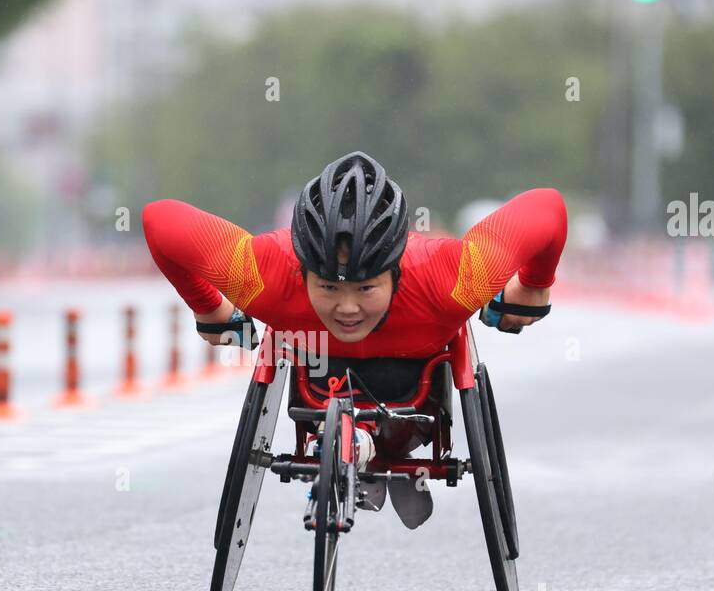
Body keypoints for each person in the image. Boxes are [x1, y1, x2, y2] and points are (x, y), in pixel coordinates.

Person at [142, 150, 566, 527]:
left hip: (412, 389)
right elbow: (158, 219)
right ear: (301, 271)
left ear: (396, 274)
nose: (347, 308)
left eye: (366, 288)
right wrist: (207, 306)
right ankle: (366, 450)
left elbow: (549, 207)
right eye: (328, 287)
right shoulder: (263, 273)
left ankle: (385, 449)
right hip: (320, 378)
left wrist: (534, 285)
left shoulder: (450, 278)